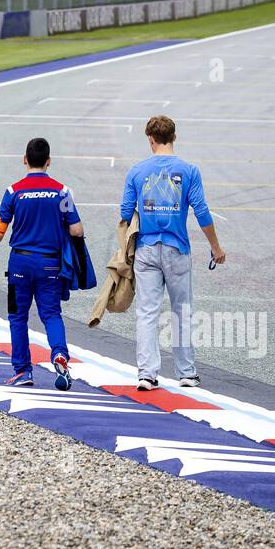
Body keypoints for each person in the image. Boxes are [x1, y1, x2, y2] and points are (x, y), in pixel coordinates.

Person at [120, 115, 225, 391]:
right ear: (174, 138)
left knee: (147, 312)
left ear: (150, 139)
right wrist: (215, 246)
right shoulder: (189, 170)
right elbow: (201, 211)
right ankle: (187, 373)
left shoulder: (137, 171)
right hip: (177, 248)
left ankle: (147, 373)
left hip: (146, 248)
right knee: (182, 311)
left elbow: (124, 212)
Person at [0, 137, 83, 391]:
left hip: (19, 266)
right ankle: (60, 356)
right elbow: (77, 230)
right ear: (48, 162)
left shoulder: (13, 192)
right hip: (50, 265)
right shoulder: (62, 192)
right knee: (51, 314)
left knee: (17, 317)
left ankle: (23, 370)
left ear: (25, 160)